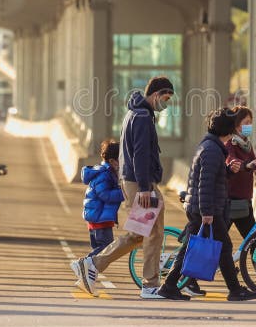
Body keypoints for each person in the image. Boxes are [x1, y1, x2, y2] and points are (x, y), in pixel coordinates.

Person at [71, 76, 205, 299]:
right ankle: (149, 285)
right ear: (155, 95)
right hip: (140, 183)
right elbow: (140, 154)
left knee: (139, 234)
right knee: (153, 233)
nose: (167, 103)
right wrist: (145, 188)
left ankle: (92, 265)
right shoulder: (142, 117)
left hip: (134, 181)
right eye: (166, 97)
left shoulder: (135, 113)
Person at [157, 108, 256, 301]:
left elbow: (214, 178)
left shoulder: (210, 147)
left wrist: (229, 170)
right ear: (227, 129)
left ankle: (169, 286)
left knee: (191, 247)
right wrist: (207, 212)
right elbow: (205, 184)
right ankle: (235, 290)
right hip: (205, 208)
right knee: (224, 246)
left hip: (200, 207)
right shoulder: (212, 151)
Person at [81, 139, 124, 258]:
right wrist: (123, 193)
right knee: (106, 247)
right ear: (112, 161)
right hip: (99, 219)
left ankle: (88, 272)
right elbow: (105, 195)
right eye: (121, 160)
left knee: (101, 249)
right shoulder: (104, 174)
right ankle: (84, 264)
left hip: (99, 216)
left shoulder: (108, 172)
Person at [224, 106, 256, 238]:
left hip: (244, 200)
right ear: (236, 125)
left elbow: (253, 163)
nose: (249, 126)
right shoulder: (230, 143)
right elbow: (232, 161)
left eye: (251, 122)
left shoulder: (247, 145)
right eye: (246, 123)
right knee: (219, 240)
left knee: (253, 239)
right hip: (230, 201)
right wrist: (247, 165)